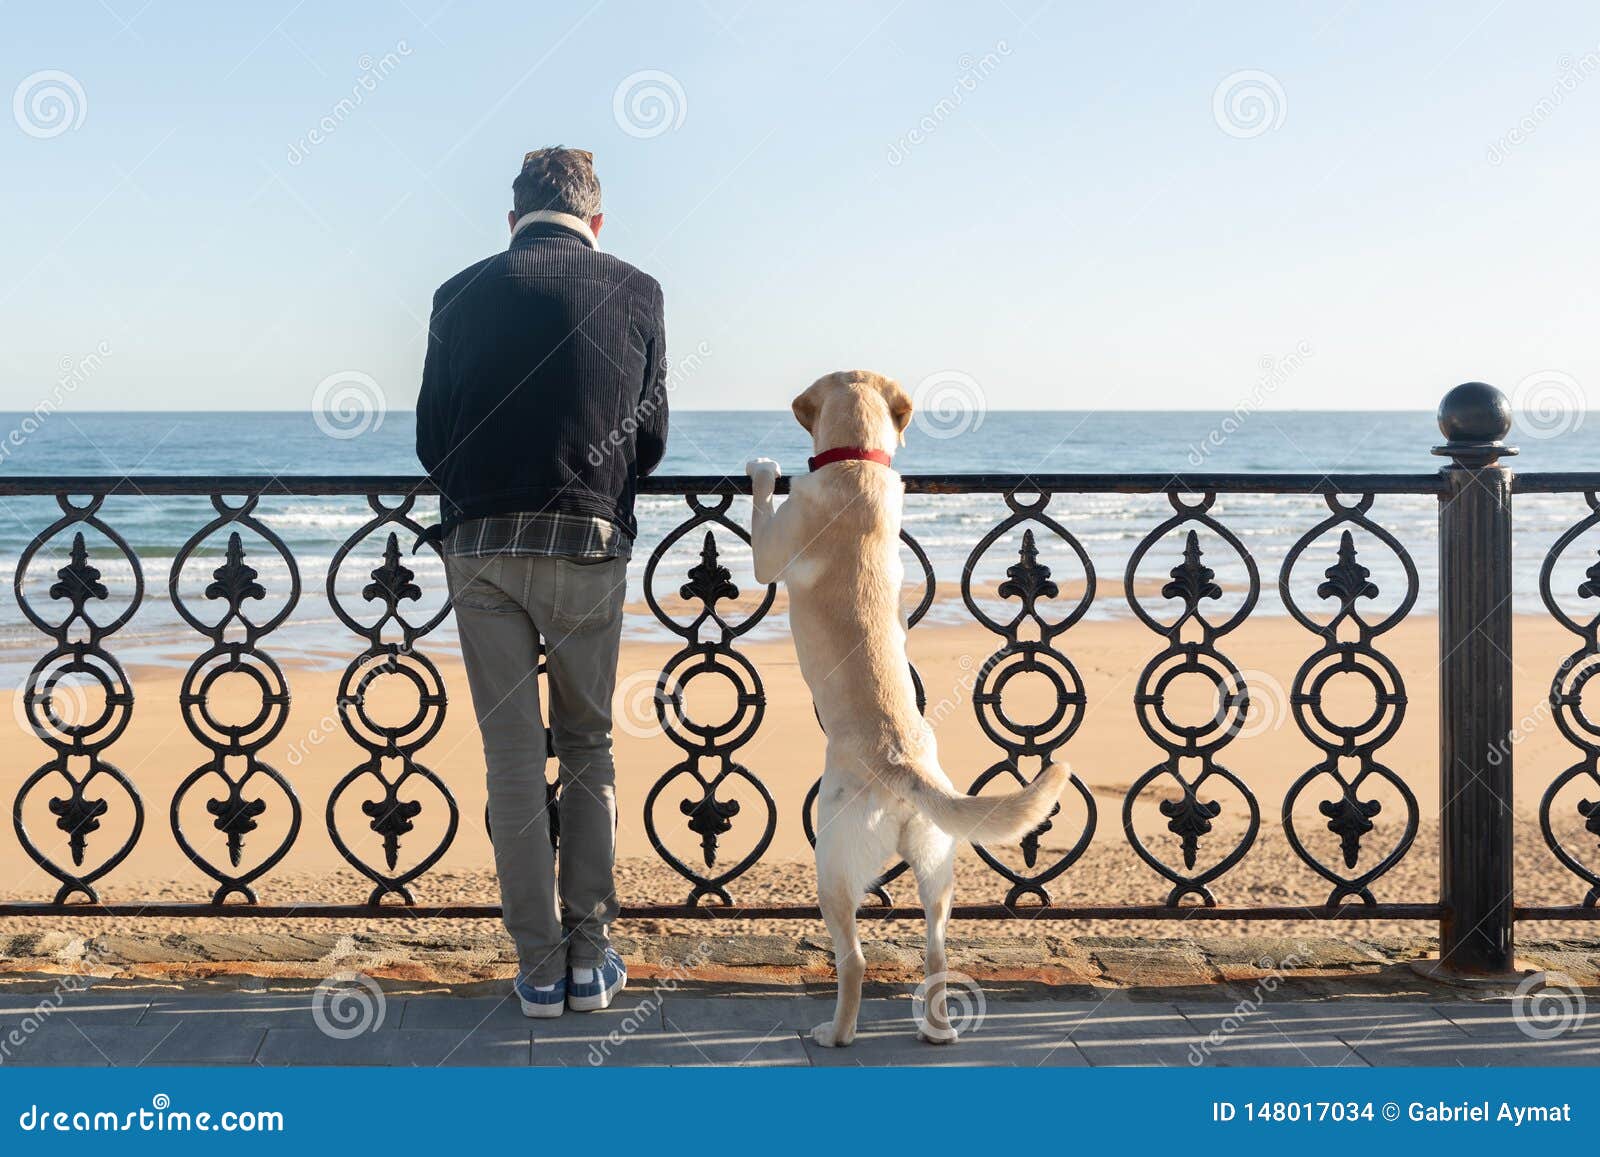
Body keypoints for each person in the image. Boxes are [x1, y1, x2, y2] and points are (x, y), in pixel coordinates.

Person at [415, 147, 667, 1017]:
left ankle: (537, 964)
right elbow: (651, 435)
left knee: (513, 757)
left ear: (513, 218)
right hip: (589, 543)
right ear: (596, 223)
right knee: (589, 744)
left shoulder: (457, 293)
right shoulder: (637, 290)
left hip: (482, 545)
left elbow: (431, 438)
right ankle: (592, 956)